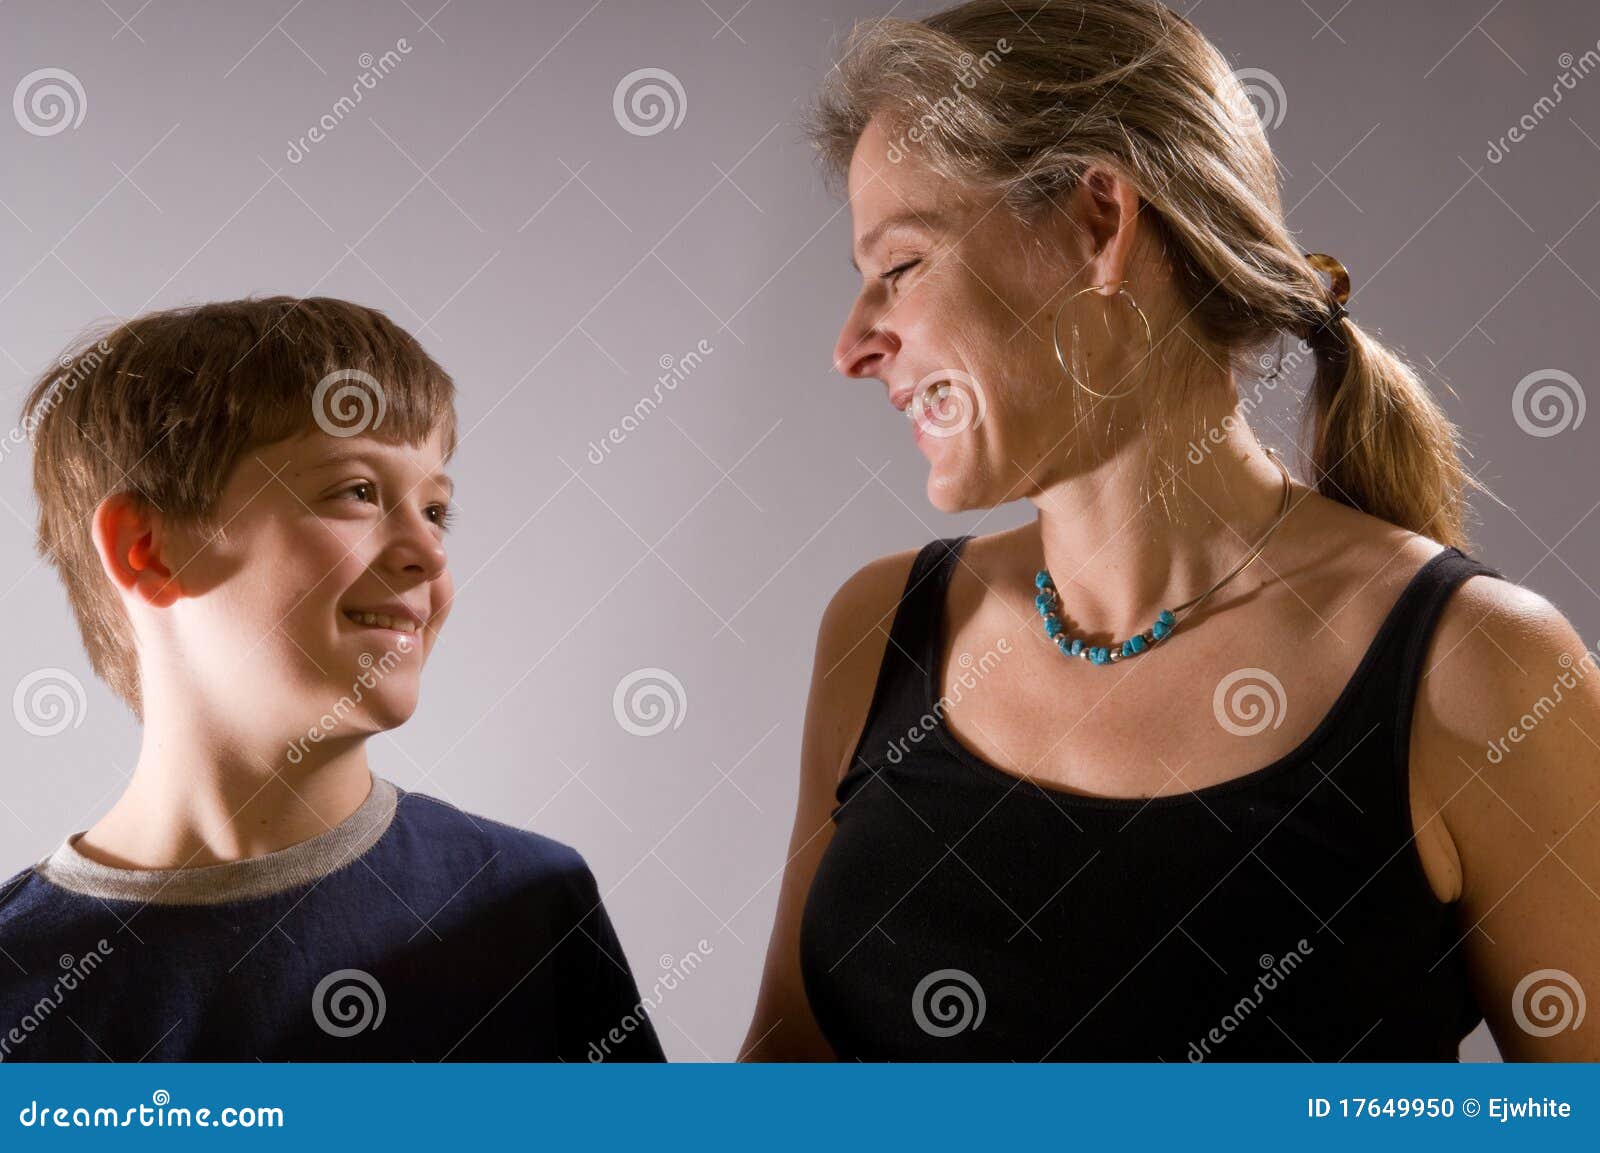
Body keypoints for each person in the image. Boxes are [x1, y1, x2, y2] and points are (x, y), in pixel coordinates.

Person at [744, 0, 1599, 1061]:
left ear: (1098, 223)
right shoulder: (882, 631)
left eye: (902, 266)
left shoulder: (1479, 670)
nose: (853, 345)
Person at [0, 297, 664, 1062]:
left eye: (437, 510)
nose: (428, 552)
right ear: (146, 547)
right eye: (356, 492)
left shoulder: (528, 904)